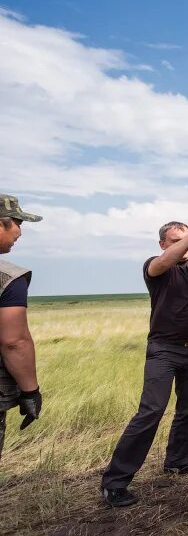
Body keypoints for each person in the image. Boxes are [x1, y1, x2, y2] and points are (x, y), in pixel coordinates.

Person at [100, 212, 188, 508]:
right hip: (164, 350)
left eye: (186, 239)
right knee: (151, 411)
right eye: (176, 240)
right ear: (163, 244)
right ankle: (115, 483)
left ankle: (179, 462)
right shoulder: (154, 266)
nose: (185, 246)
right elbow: (164, 262)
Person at [0, 194, 44, 460]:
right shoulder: (8, 277)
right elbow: (14, 341)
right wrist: (30, 392)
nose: (19, 232)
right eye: (18, 223)